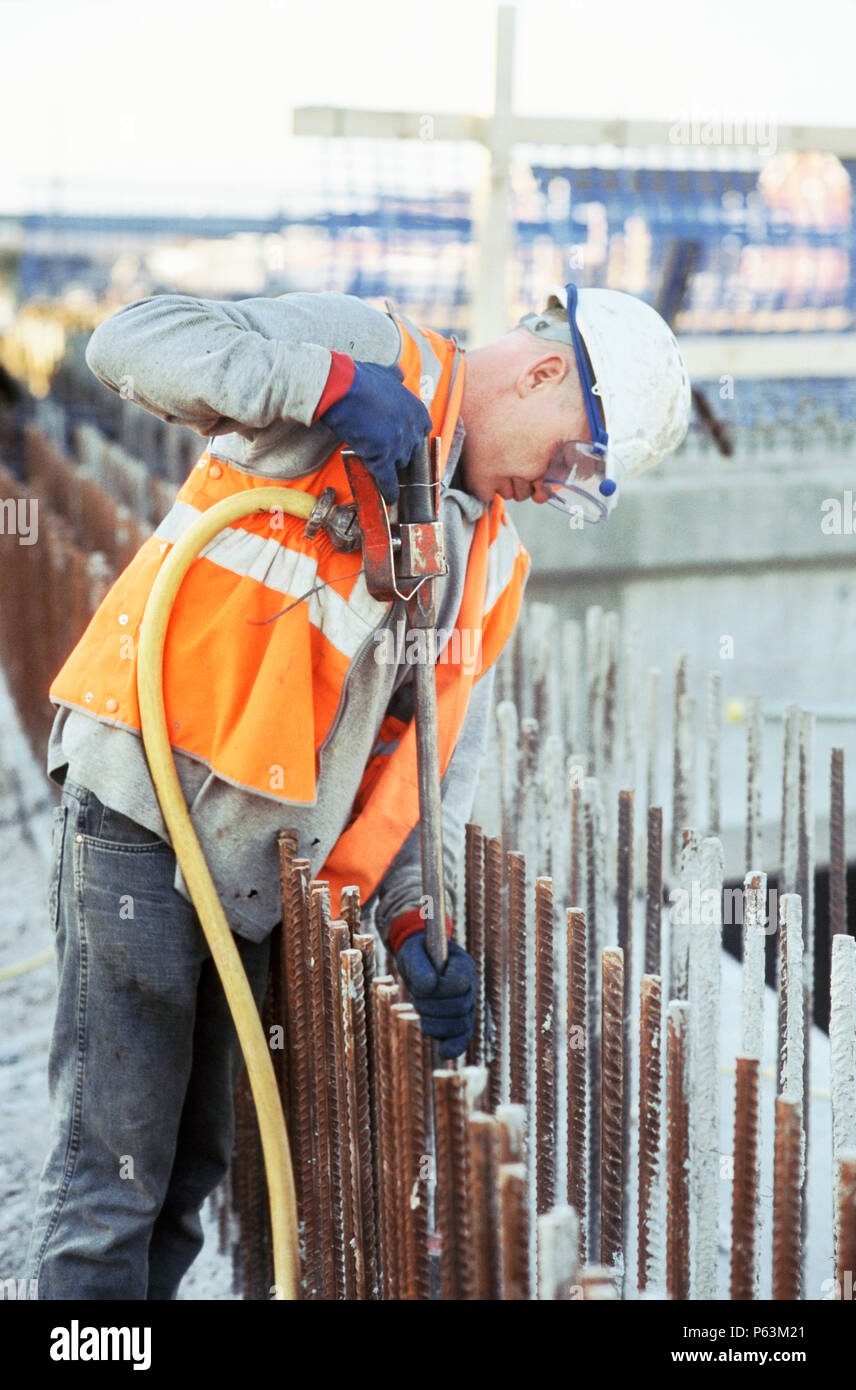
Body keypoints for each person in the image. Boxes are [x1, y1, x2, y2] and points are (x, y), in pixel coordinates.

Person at [26, 281, 691, 1300]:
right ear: (548, 372)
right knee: (112, 1183)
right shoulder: (375, 356)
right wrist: (327, 385)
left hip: (248, 875)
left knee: (181, 1184)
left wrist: (421, 910)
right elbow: (133, 340)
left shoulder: (490, 566)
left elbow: (422, 784)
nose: (555, 488)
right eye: (569, 457)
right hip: (143, 810)